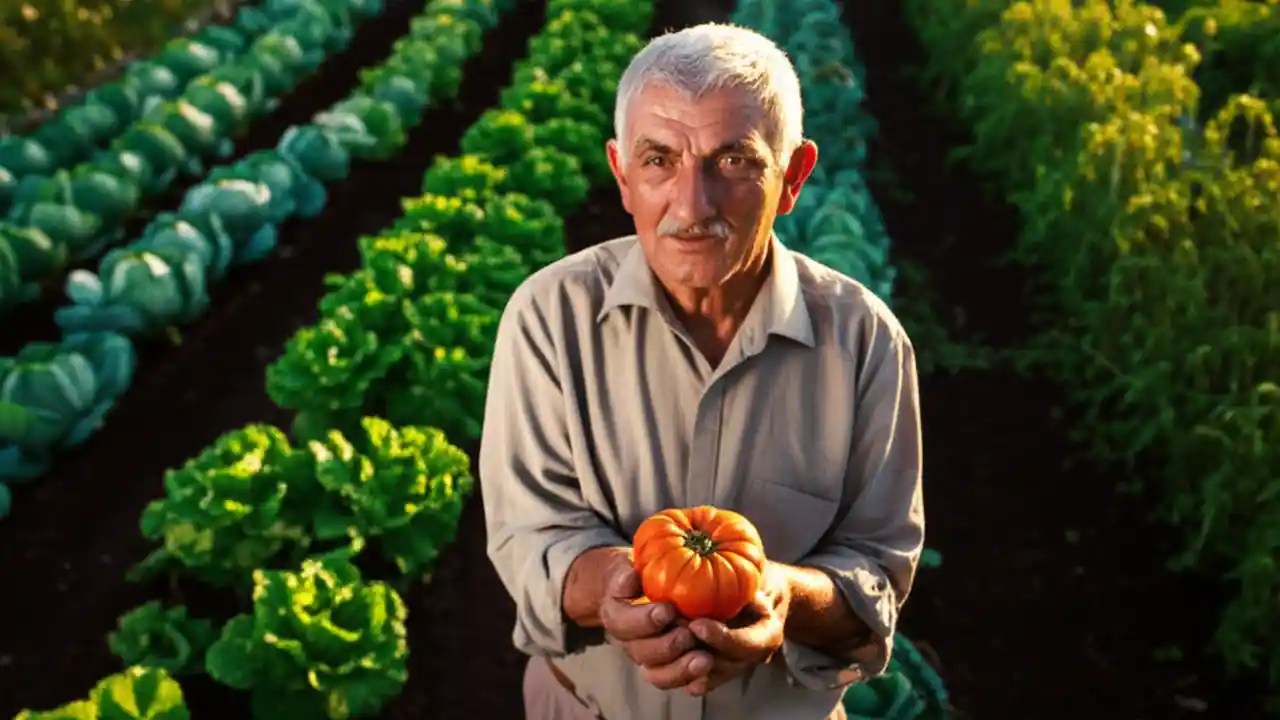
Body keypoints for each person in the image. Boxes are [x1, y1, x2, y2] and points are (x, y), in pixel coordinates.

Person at [478, 22, 924, 720]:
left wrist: (784, 593)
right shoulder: (549, 317)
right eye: (659, 160)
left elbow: (876, 569)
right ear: (622, 174)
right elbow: (530, 534)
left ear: (793, 178)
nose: (692, 207)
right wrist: (622, 587)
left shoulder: (865, 342)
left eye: (734, 161)